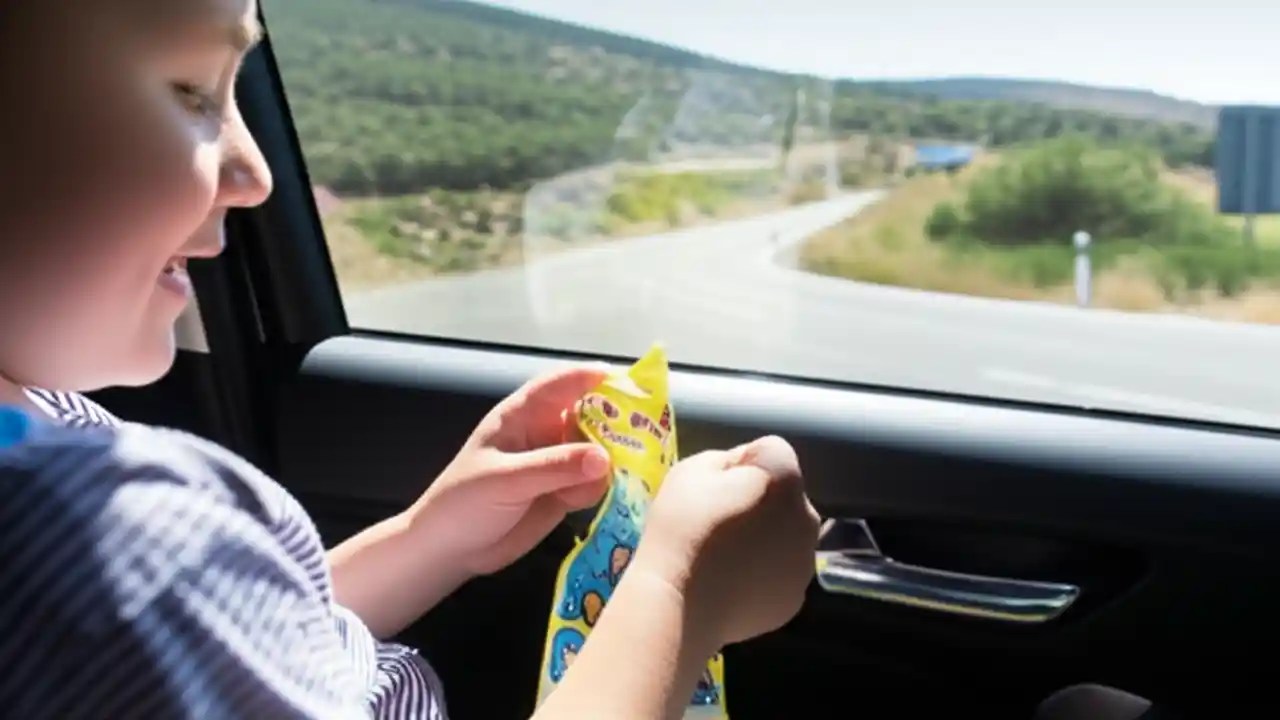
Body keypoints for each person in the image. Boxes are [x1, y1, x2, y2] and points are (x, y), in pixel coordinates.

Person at [0, 1, 821, 719]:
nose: (253, 176)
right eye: (193, 93)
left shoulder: (49, 435)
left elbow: (225, 649)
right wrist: (678, 598)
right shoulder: (83, 530)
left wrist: (433, 540)